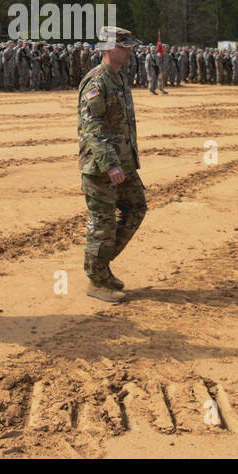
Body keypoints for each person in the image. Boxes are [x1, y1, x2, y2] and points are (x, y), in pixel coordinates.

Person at [77, 26, 146, 302]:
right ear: (107, 48)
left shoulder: (119, 78)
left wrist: (125, 162)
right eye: (124, 47)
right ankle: (96, 279)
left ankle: (101, 266)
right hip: (101, 168)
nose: (129, 51)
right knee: (102, 223)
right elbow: (91, 128)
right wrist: (110, 164)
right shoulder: (97, 83)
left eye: (130, 46)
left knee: (136, 207)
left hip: (124, 164)